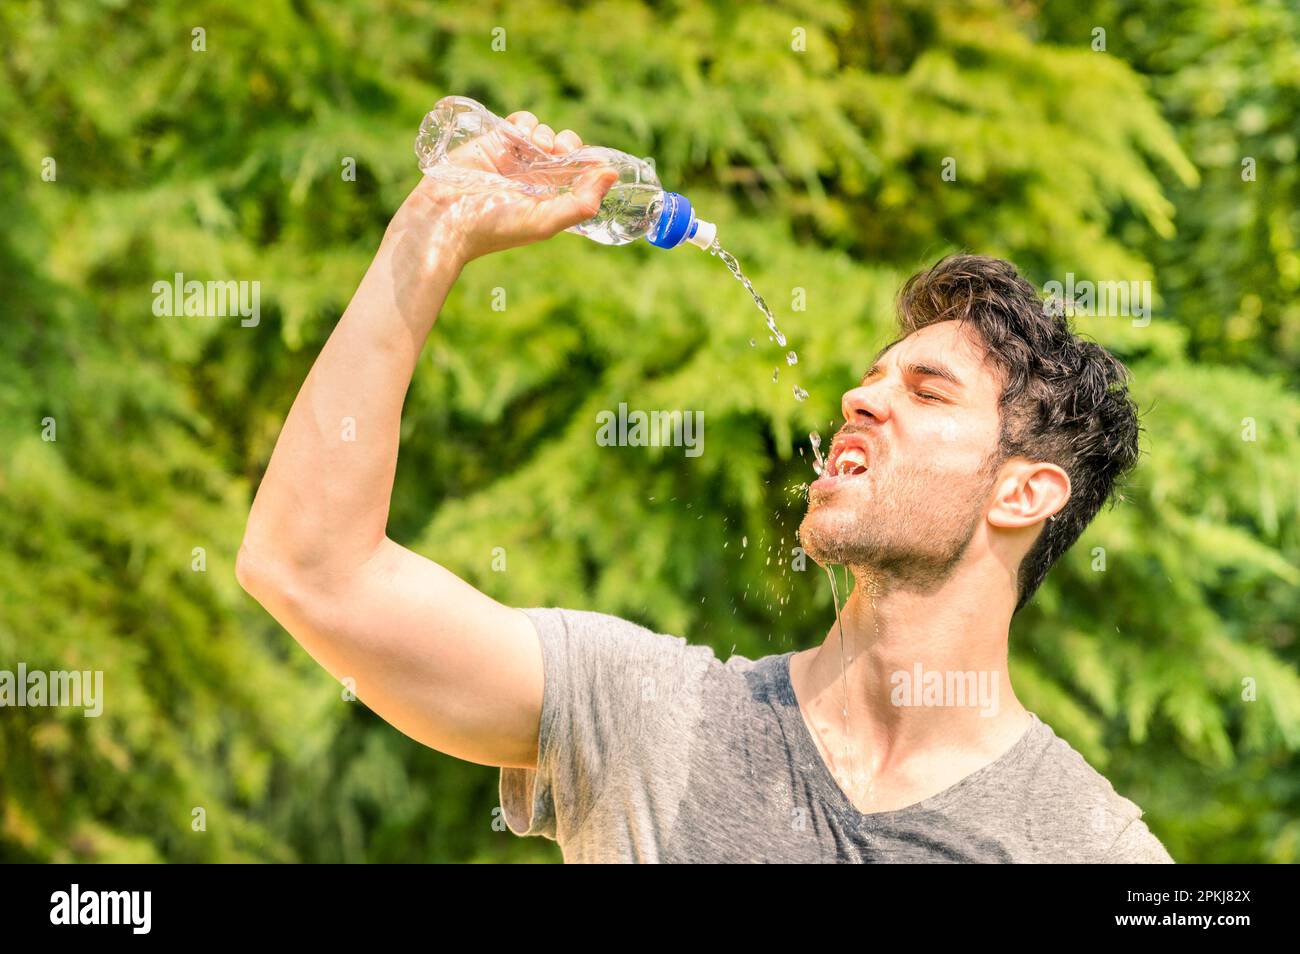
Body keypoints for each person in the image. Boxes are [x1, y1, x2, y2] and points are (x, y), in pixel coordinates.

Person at [237, 108, 1174, 863]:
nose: (859, 396)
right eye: (874, 375)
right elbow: (310, 568)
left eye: (926, 392)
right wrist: (428, 232)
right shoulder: (644, 717)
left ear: (1024, 494)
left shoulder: (1087, 846)